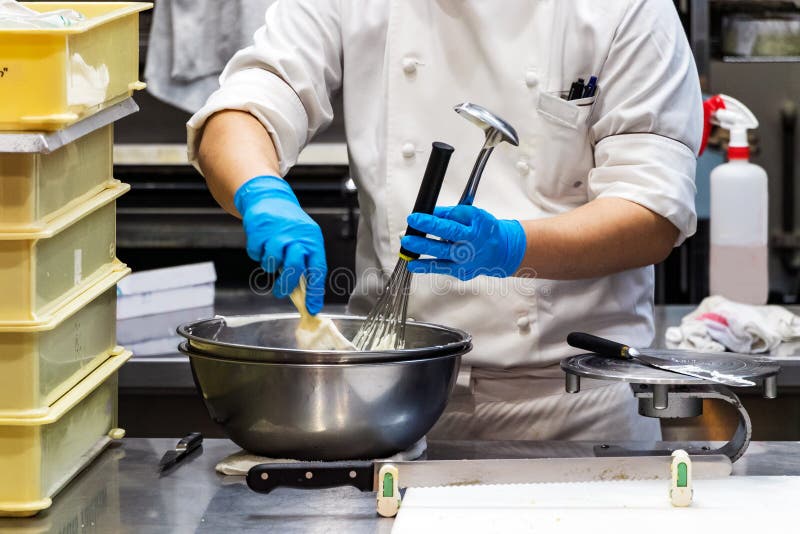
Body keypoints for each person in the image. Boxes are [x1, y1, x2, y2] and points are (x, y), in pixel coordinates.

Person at [187, 0, 701, 441]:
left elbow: (651, 211)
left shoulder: (626, 10)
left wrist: (511, 246)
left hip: (573, 406)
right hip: (385, 394)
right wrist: (262, 192)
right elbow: (251, 100)